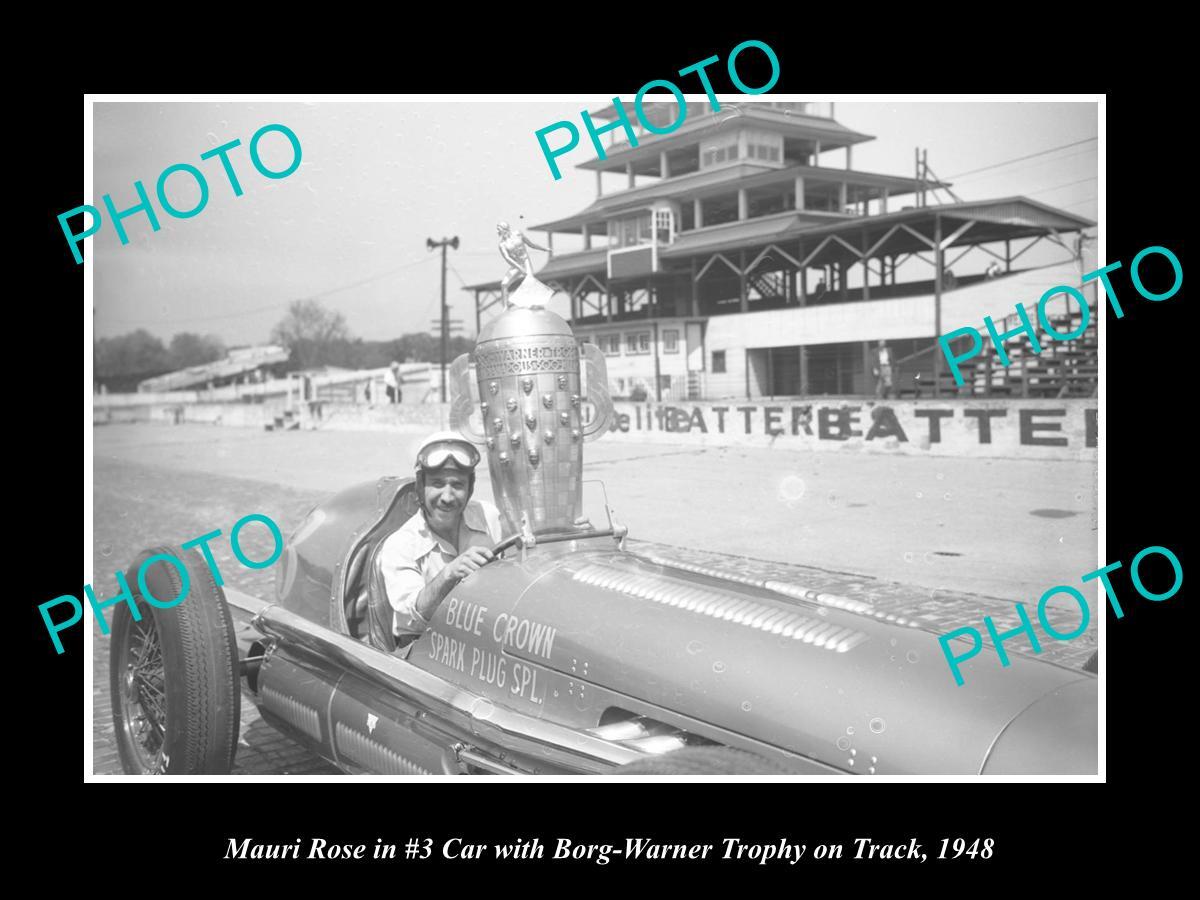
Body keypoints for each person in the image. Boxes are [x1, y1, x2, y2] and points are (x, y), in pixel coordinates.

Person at [372, 432, 503, 655]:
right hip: (421, 649)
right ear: (420, 487)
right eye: (437, 484)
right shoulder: (400, 544)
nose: (447, 497)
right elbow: (415, 614)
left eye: (458, 485)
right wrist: (448, 575)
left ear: (470, 488)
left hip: (484, 643)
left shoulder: (488, 515)